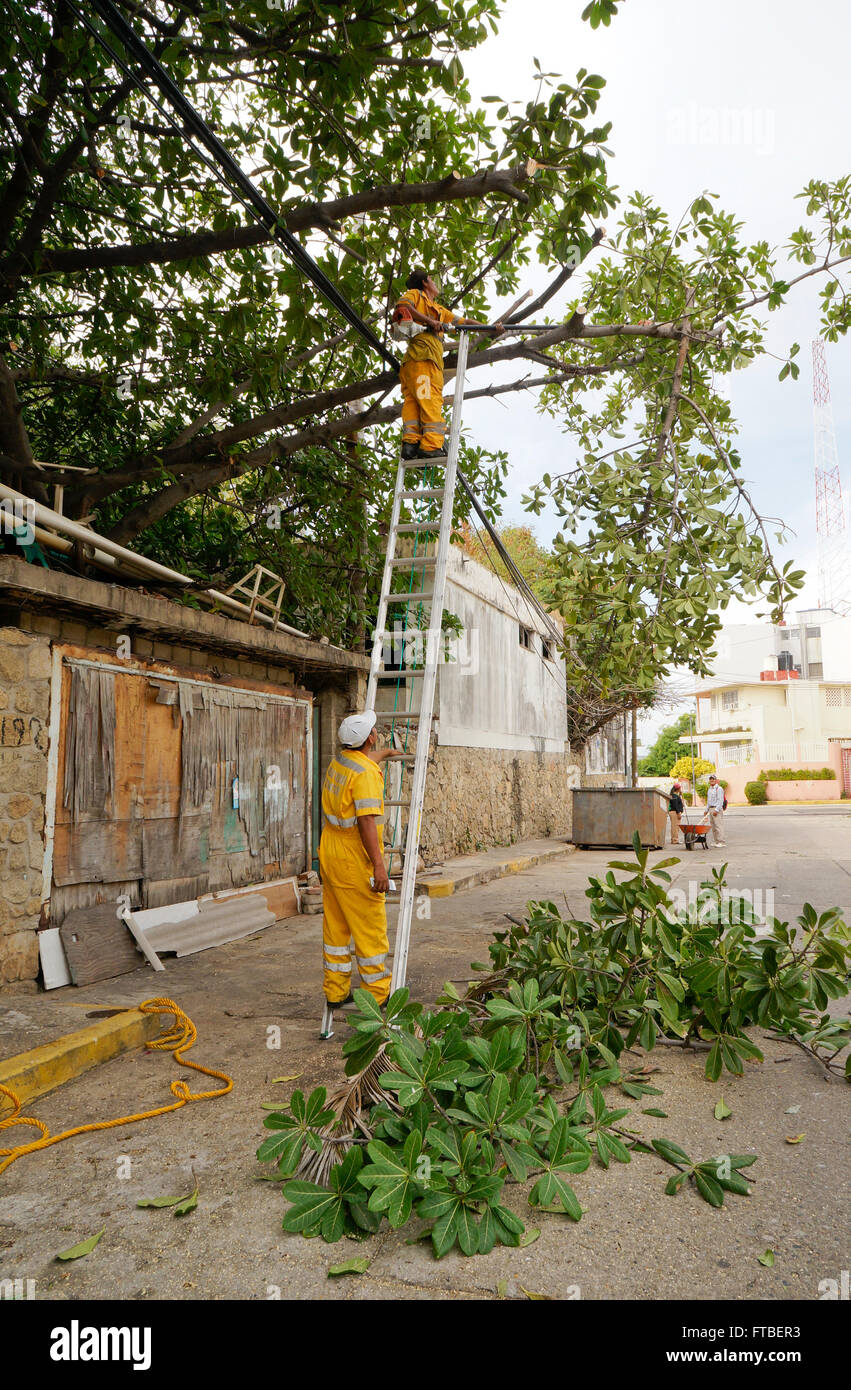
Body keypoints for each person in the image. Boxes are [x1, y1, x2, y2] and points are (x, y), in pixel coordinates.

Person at [319, 710, 405, 1011]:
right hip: (353, 857)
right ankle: (378, 996)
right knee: (369, 926)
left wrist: (385, 753)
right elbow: (367, 823)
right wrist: (379, 866)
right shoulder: (366, 774)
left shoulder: (340, 762)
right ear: (370, 737)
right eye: (374, 732)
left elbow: (363, 763)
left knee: (337, 925)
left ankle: (335, 991)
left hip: (329, 851)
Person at [392, 269, 503, 460]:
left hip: (412, 363)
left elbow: (464, 322)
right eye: (432, 280)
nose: (435, 283)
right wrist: (430, 322)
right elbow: (402, 307)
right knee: (431, 400)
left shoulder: (439, 310)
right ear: (425, 283)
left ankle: (410, 444)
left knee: (413, 403)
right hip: (423, 360)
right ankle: (430, 445)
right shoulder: (415, 295)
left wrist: (491, 328)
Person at [706, 774, 726, 847]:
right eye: (710, 779)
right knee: (713, 826)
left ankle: (721, 841)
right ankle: (716, 841)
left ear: (716, 780)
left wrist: (716, 810)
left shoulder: (719, 789)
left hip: (716, 809)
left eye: (713, 779)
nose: (711, 780)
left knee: (718, 826)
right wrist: (706, 810)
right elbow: (708, 801)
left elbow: (720, 800)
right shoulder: (709, 789)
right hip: (711, 808)